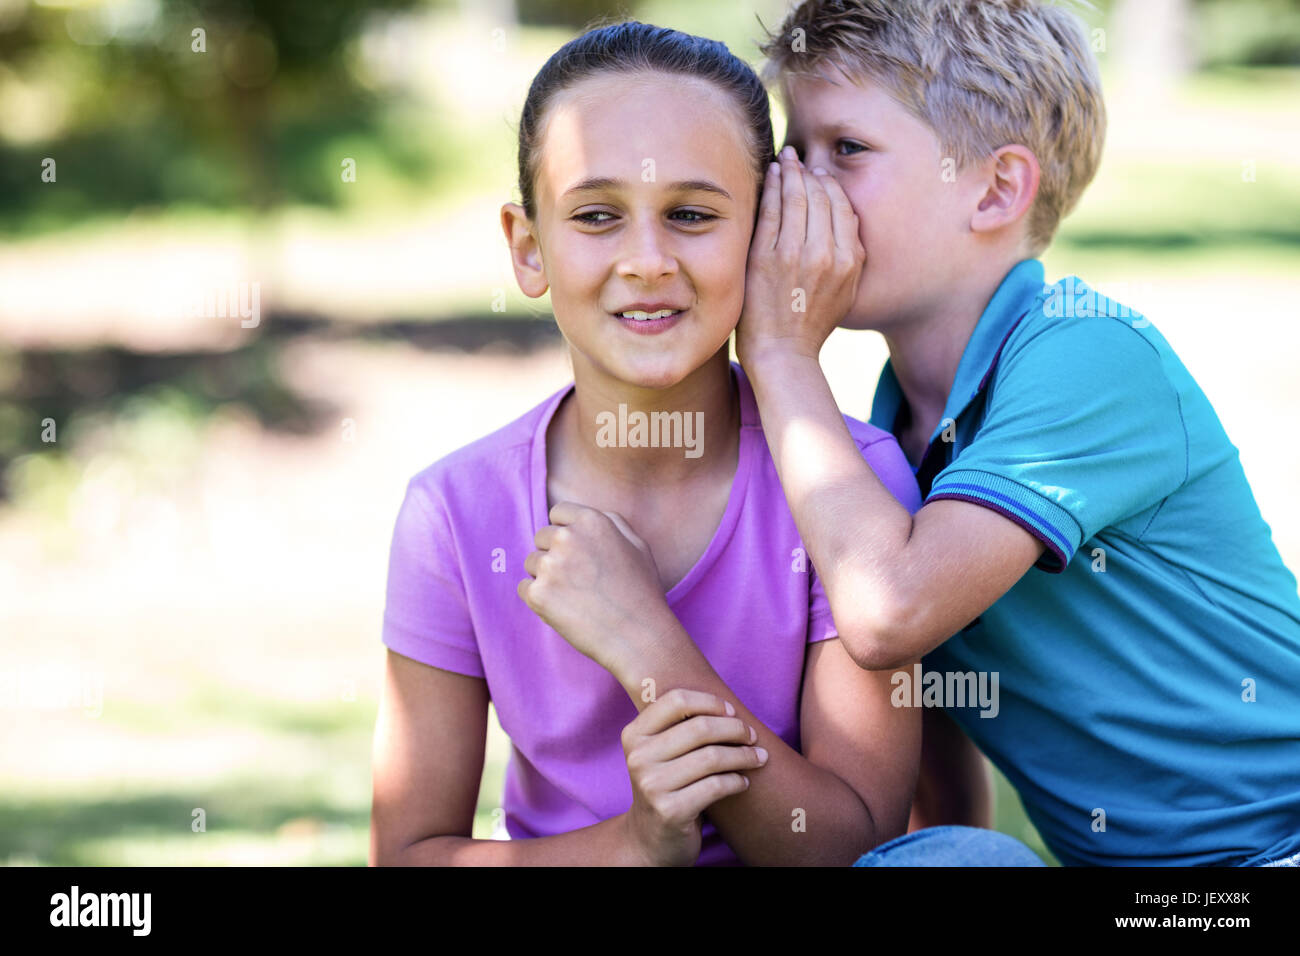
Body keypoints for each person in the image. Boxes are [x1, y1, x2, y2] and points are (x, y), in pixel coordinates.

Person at [732, 0, 1300, 866]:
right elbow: (936, 759)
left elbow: (890, 613)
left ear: (996, 189)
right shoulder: (892, 432)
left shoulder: (1089, 352)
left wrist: (776, 351)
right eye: (794, 149)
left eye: (846, 150)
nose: (796, 187)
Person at [368, 21, 926, 867]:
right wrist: (631, 846)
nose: (648, 260)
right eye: (597, 216)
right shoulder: (454, 513)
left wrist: (650, 646)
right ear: (529, 248)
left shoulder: (851, 487)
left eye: (692, 214)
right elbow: (409, 855)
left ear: (768, 229)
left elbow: (854, 843)